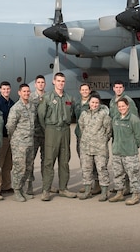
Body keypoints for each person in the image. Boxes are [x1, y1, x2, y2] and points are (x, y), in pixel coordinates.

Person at [37, 73, 77, 201]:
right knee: (49, 161)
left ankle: (63, 188)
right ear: (54, 82)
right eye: (58, 81)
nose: (61, 83)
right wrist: (48, 130)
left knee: (64, 161)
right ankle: (46, 190)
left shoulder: (69, 98)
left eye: (63, 81)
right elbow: (41, 116)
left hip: (65, 130)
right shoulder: (47, 97)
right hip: (51, 130)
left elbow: (71, 113)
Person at [109, 97, 140, 205]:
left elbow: (139, 136)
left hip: (129, 153)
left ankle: (135, 195)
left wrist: (133, 146)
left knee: (133, 174)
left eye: (123, 106)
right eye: (119, 106)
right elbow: (113, 134)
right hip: (117, 152)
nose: (121, 108)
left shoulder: (133, 119)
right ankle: (119, 193)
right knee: (118, 174)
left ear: (127, 106)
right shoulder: (115, 119)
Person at [77, 93, 112, 201]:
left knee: (101, 169)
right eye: (92, 102)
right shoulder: (84, 114)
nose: (94, 104)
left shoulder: (104, 115)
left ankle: (104, 192)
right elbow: (81, 127)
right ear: (89, 103)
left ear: (99, 103)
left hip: (100, 148)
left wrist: (101, 140)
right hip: (86, 147)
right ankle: (87, 191)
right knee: (86, 169)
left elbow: (108, 130)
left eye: (97, 103)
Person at [6, 84, 35, 202]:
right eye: (24, 91)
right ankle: (17, 190)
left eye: (28, 91)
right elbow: (10, 126)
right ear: (19, 93)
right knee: (19, 167)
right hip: (19, 143)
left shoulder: (32, 106)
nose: (26, 93)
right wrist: (16, 138)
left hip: (30, 142)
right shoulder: (16, 108)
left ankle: (22, 189)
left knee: (28, 168)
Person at [27, 76, 46, 196]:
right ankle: (29, 185)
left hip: (45, 133)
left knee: (46, 161)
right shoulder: (30, 98)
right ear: (35, 84)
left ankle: (46, 185)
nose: (40, 84)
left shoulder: (48, 97)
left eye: (42, 82)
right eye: (38, 82)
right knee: (30, 160)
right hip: (33, 134)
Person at [0, 81, 15, 194]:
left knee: (8, 163)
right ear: (0, 90)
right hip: (1, 137)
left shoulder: (12, 103)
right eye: (4, 89)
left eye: (8, 89)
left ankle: (7, 185)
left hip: (10, 137)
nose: (6, 91)